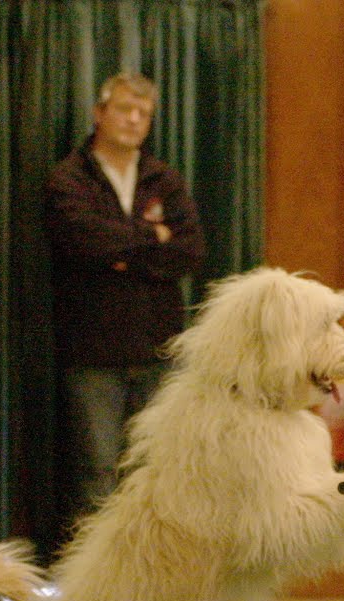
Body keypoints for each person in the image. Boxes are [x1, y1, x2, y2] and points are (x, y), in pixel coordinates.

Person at [45, 72, 206, 529]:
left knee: (155, 472)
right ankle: (94, 586)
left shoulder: (165, 181)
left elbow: (190, 252)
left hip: (158, 352)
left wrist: (122, 253)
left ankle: (146, 579)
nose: (134, 120)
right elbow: (81, 241)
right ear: (99, 114)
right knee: (95, 474)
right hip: (93, 355)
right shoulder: (69, 177)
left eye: (143, 113)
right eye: (123, 109)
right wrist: (152, 239)